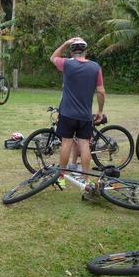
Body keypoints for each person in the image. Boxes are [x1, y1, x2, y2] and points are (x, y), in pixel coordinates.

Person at [50, 37, 105, 184]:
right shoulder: (95, 67)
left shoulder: (67, 64)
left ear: (72, 51)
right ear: (85, 51)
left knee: (66, 143)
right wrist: (100, 111)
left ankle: (61, 177)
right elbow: (101, 91)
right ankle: (85, 179)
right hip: (85, 115)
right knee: (84, 144)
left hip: (67, 113)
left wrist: (66, 43)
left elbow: (53, 57)